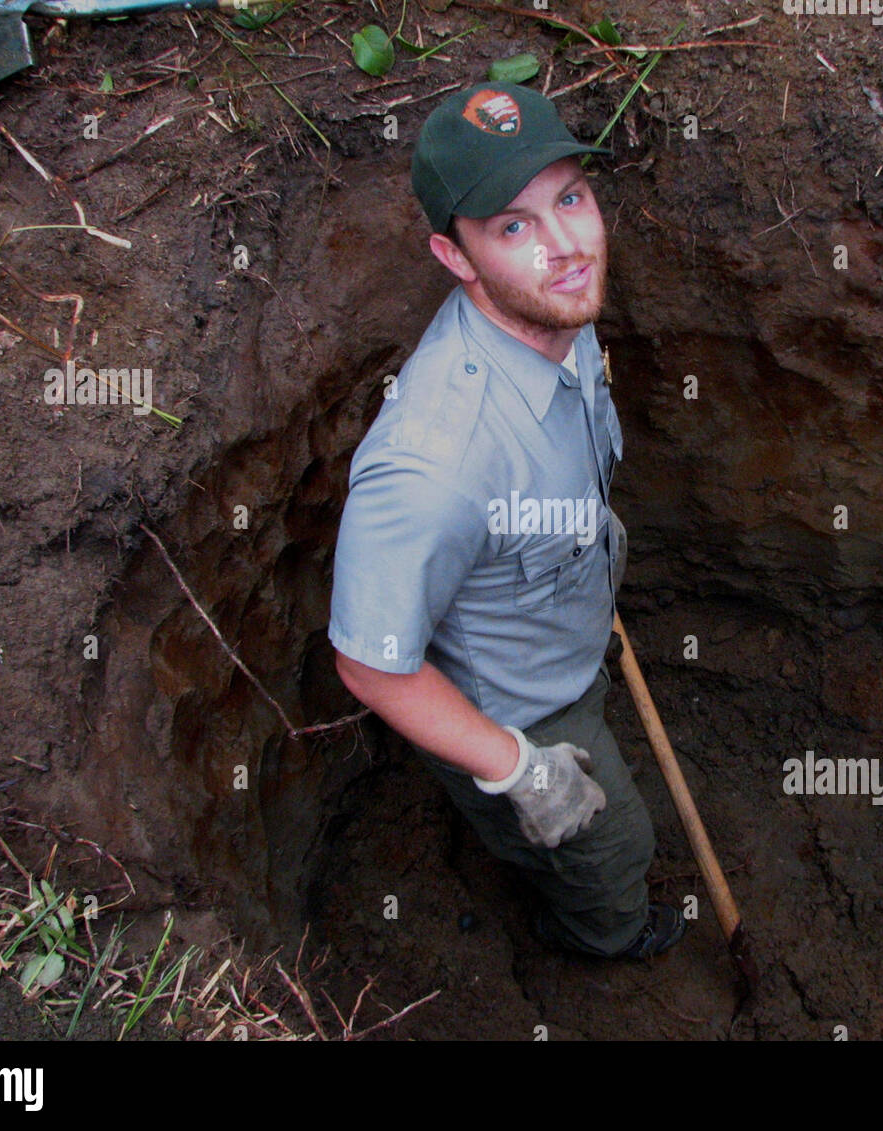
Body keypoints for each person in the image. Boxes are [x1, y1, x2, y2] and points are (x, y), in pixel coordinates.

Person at [328, 82, 686, 959]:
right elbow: (370, 663)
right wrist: (515, 766)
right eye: (515, 227)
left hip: (567, 636)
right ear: (455, 257)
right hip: (516, 707)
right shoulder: (431, 465)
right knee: (614, 850)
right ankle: (602, 936)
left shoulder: (563, 315)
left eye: (571, 198)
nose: (566, 247)